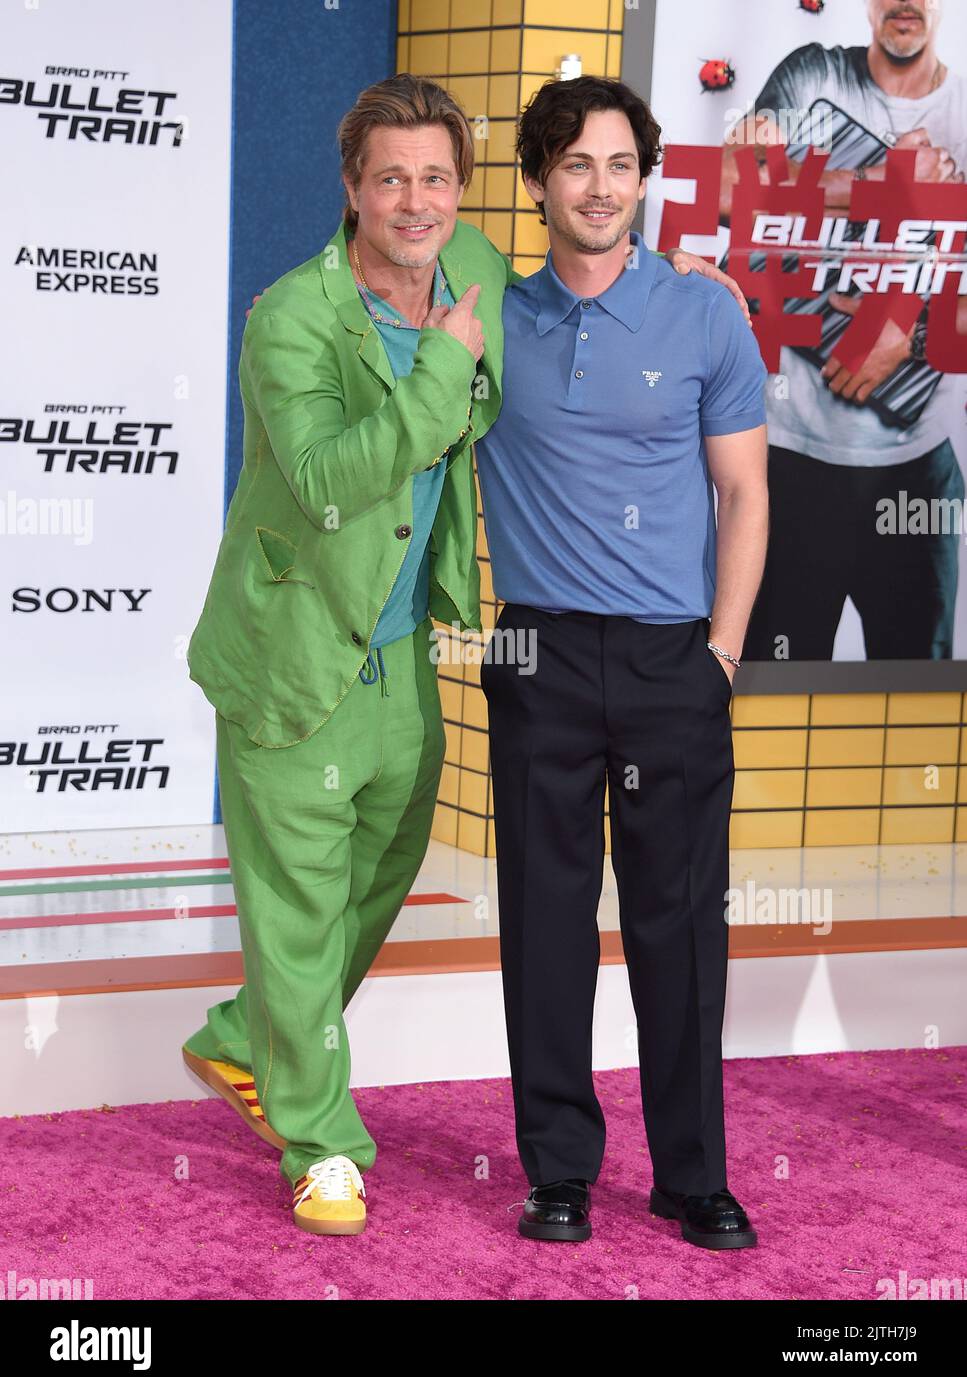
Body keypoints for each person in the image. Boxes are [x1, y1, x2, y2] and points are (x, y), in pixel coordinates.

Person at [182, 73, 742, 1236]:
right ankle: (384, 1153)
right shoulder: (342, 313)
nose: (417, 200)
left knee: (421, 893)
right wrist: (444, 365)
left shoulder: (518, 281)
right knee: (407, 915)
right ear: (352, 190)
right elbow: (335, 480)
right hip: (375, 652)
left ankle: (692, 1176)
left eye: (438, 177)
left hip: (520, 661)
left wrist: (691, 278)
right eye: (391, 177)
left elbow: (732, 469)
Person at [475, 75, 769, 1249]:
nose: (599, 187)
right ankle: (559, 1171)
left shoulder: (705, 314)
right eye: (575, 165)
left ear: (644, 179)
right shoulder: (488, 310)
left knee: (680, 926)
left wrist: (722, 657)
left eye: (618, 164)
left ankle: (691, 1173)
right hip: (535, 648)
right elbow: (380, 260)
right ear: (538, 180)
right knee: (545, 925)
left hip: (671, 666)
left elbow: (744, 492)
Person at [721, 0, 967, 659]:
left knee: (918, 704)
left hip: (916, 472)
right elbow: (725, 188)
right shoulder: (814, 78)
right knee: (772, 692)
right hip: (791, 463)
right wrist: (882, 183)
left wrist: (905, 332)